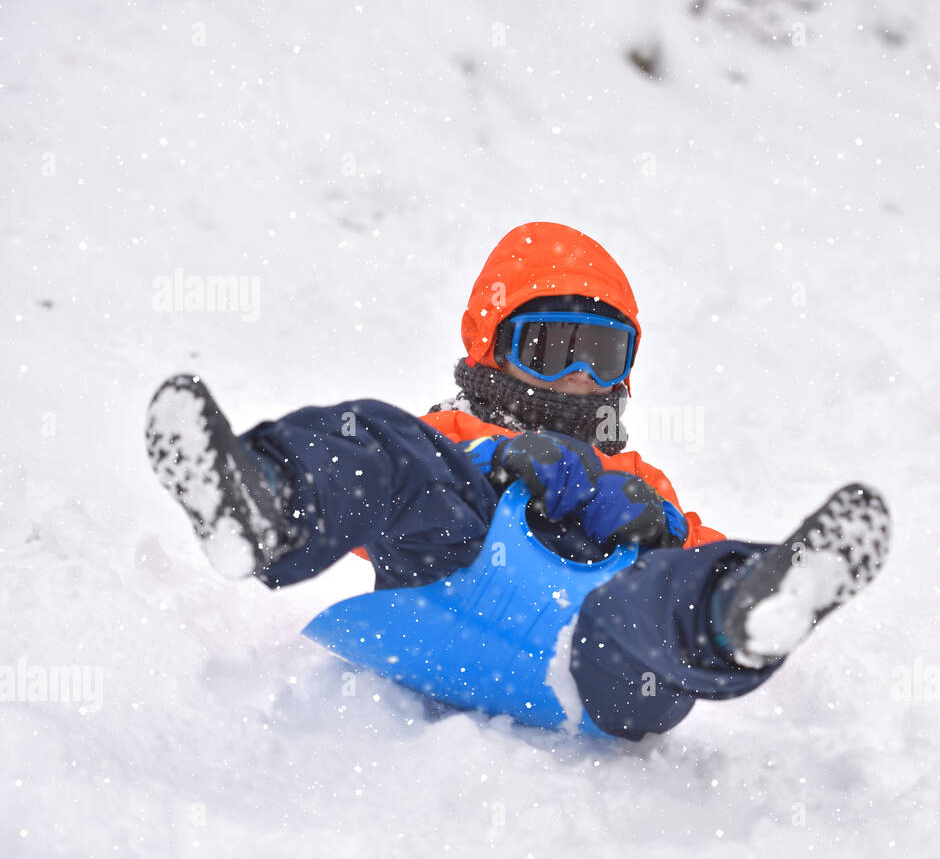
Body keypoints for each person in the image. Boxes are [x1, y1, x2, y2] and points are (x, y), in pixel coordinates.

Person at [145, 221, 890, 740]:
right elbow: (378, 498)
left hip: (598, 658)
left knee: (664, 594)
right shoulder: (451, 439)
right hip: (459, 589)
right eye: (550, 347)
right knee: (378, 439)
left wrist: (659, 535)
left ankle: (743, 614)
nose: (575, 377)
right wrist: (487, 472)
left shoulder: (636, 478)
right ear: (494, 347)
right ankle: (267, 504)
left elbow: (694, 542)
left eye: (600, 354)